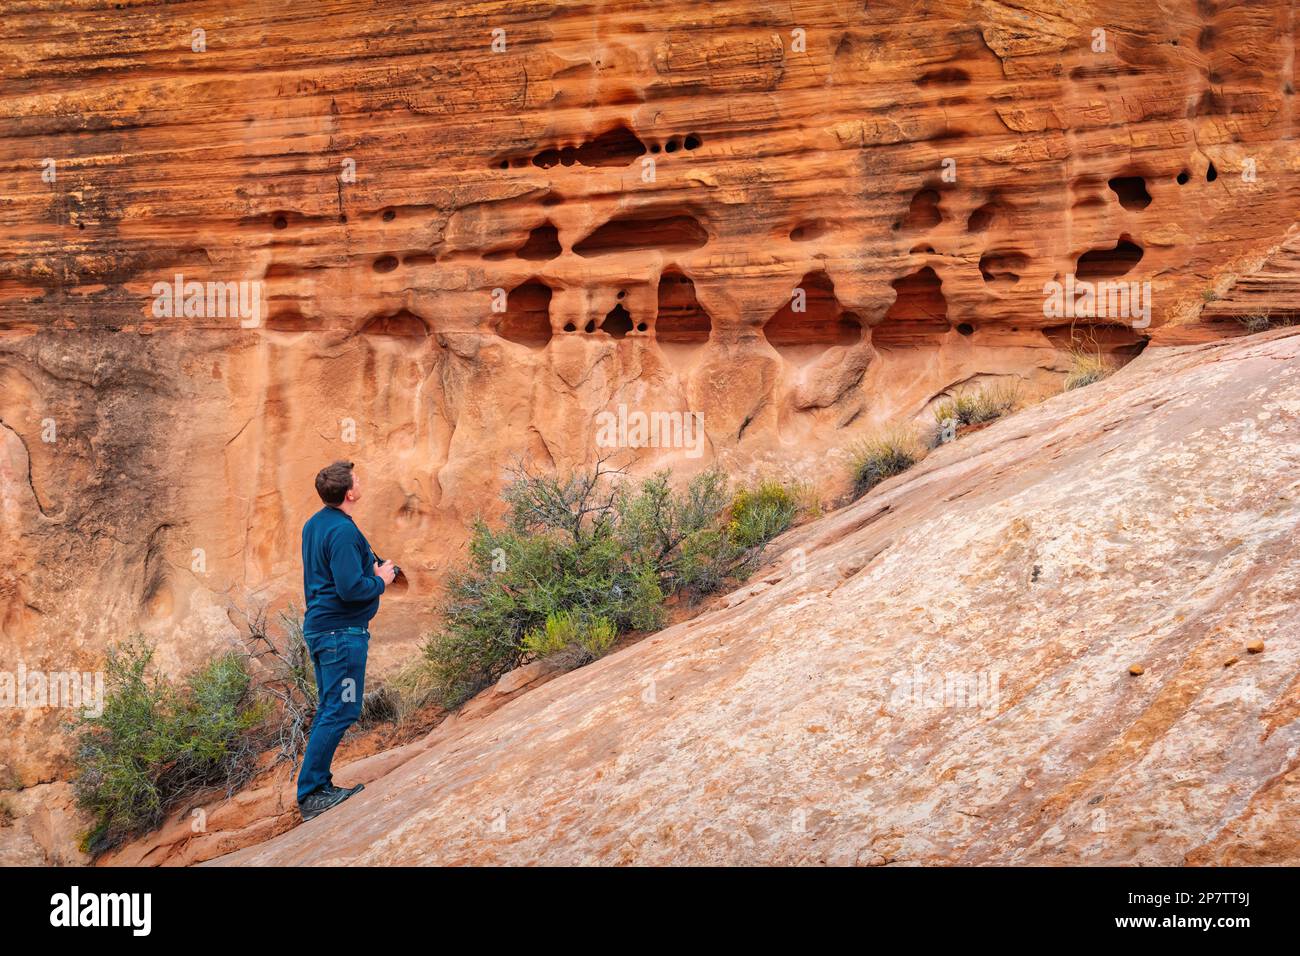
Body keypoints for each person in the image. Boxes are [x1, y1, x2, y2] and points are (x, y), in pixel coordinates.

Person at [296, 460, 396, 821]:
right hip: (341, 634)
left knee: (331, 707)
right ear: (349, 492)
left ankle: (317, 786)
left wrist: (365, 571)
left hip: (325, 631)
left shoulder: (316, 524)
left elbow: (332, 572)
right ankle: (311, 793)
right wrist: (381, 579)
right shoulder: (342, 531)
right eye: (358, 479)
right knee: (342, 708)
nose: (361, 481)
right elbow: (351, 589)